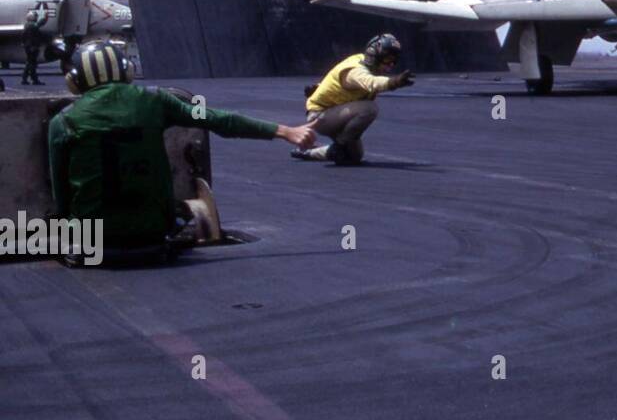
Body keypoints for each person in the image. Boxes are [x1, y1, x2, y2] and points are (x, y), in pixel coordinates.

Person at [48, 39, 316, 254]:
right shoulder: (156, 100)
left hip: (93, 244)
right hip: (152, 237)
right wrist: (284, 131)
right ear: (127, 71)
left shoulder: (63, 120)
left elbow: (60, 194)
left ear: (74, 81)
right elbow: (218, 119)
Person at [294, 33, 415, 164]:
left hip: (337, 113)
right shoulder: (356, 70)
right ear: (374, 54)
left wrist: (319, 87)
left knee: (354, 157)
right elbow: (370, 82)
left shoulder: (363, 65)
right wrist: (394, 82)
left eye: (394, 61)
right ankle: (339, 145)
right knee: (369, 108)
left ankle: (309, 153)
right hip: (319, 116)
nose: (391, 65)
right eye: (387, 59)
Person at [21, 9, 44, 85]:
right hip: (32, 47)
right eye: (35, 16)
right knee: (32, 64)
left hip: (29, 46)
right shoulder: (32, 25)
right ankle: (34, 79)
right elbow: (39, 24)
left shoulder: (27, 25)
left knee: (29, 63)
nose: (36, 18)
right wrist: (45, 17)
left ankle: (24, 78)